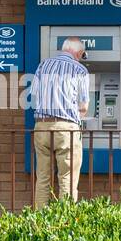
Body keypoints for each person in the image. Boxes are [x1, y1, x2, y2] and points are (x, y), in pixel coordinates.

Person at [31, 37, 90, 206]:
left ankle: (39, 223)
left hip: (41, 126)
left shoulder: (43, 66)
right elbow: (84, 107)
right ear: (78, 53)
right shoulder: (80, 70)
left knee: (42, 177)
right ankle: (65, 223)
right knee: (67, 179)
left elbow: (34, 97)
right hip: (66, 129)